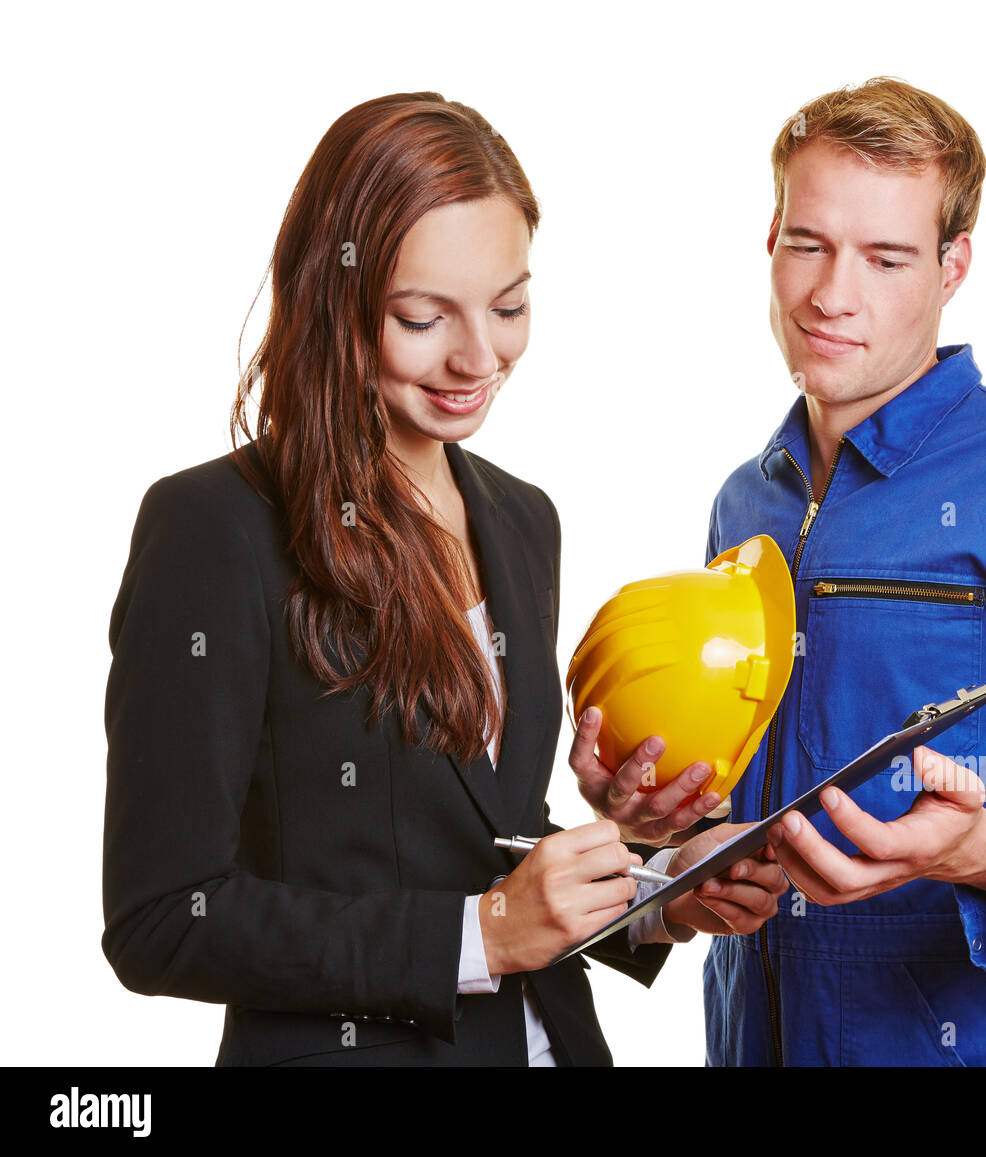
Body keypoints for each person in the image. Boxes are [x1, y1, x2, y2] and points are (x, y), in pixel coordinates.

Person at [101, 91, 785, 1067]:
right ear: (335, 300)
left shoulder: (522, 517)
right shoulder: (216, 528)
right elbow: (164, 916)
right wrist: (482, 936)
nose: (478, 357)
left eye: (509, 307)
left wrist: (658, 888)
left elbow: (478, 832)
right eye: (423, 318)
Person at [588, 77, 986, 1066]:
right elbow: (735, 803)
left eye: (885, 258)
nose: (832, 295)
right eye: (808, 245)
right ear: (770, 240)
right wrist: (660, 829)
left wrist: (984, 847)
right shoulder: (747, 502)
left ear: (952, 265)